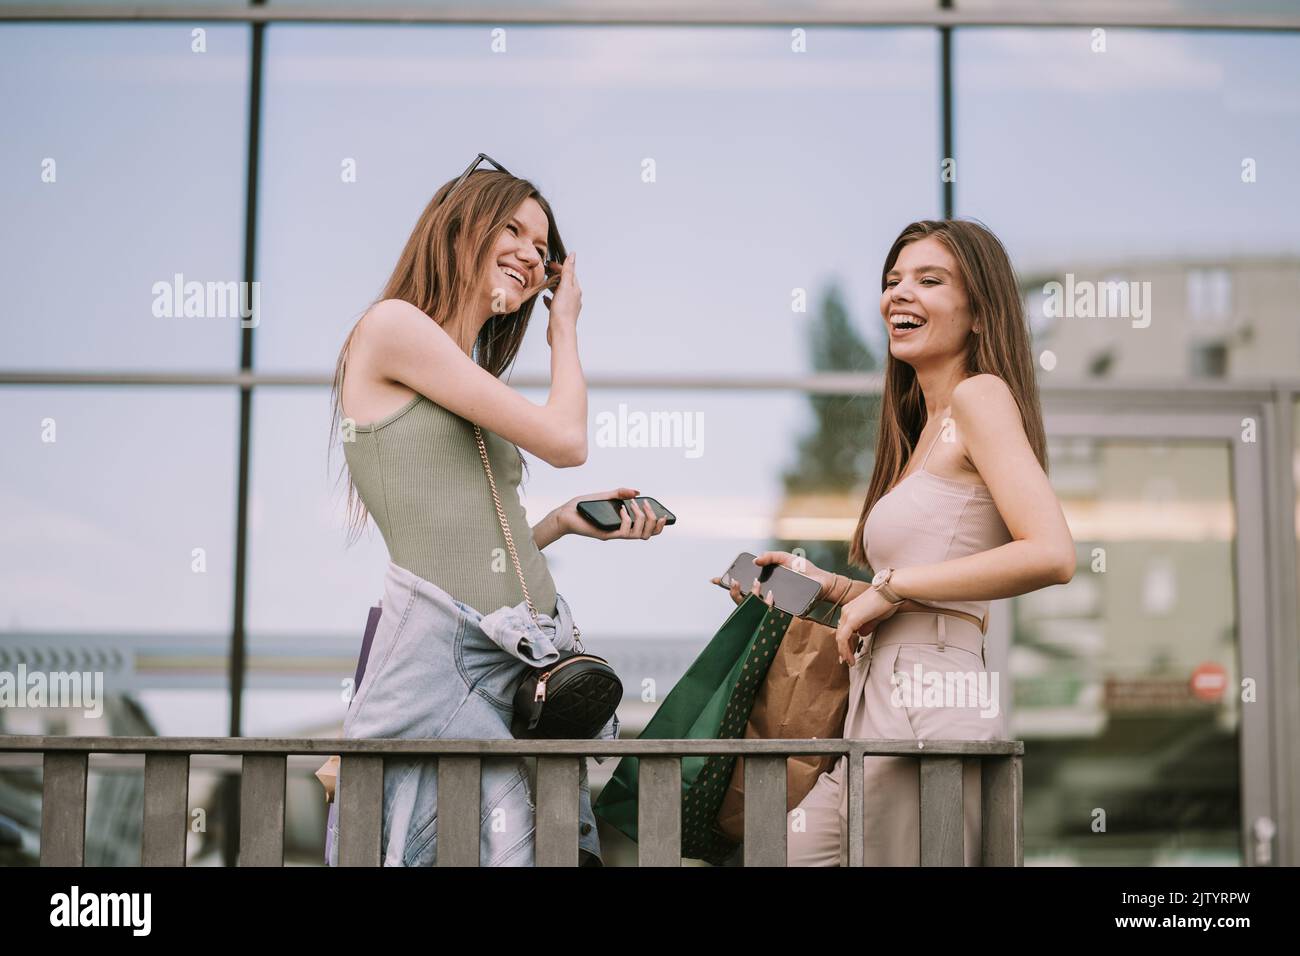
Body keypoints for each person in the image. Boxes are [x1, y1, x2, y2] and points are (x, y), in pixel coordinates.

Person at [326, 154, 666, 867]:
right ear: (458, 230)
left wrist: (558, 524)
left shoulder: (461, 375)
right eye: (511, 229)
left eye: (542, 249)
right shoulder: (393, 327)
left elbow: (464, 536)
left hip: (518, 658)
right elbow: (568, 441)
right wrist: (564, 328)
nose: (530, 255)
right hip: (446, 661)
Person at [717, 218, 1075, 865]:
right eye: (892, 281)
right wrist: (822, 585)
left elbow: (1052, 553)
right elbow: (911, 587)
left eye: (928, 280)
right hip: (878, 700)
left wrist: (892, 586)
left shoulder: (980, 398)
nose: (898, 294)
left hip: (930, 697)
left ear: (977, 312)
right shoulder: (925, 431)